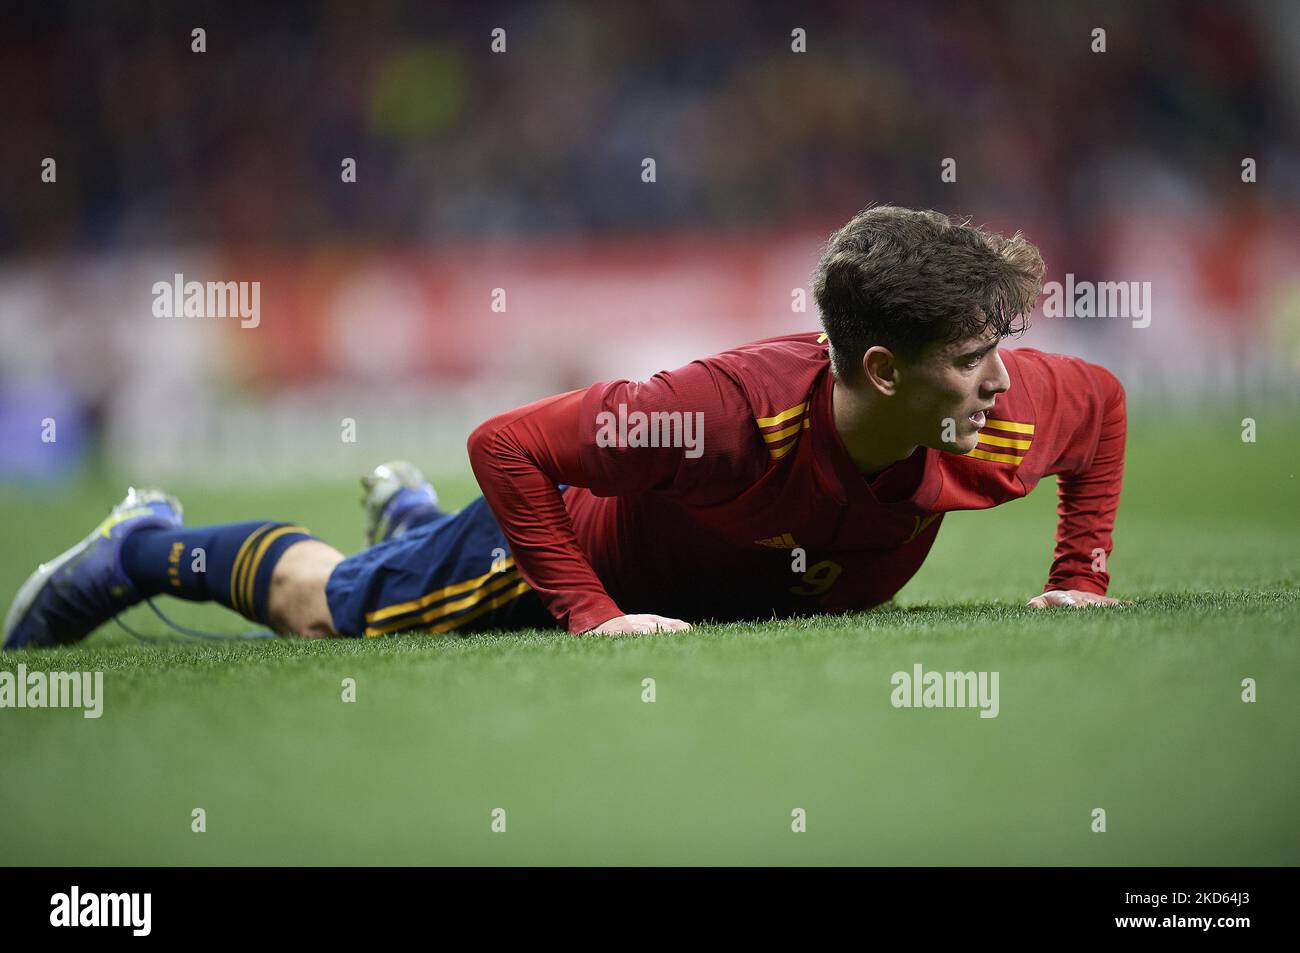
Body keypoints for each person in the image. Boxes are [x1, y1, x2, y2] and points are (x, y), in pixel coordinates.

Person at [3, 206, 1127, 649]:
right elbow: (506, 444)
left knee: (392, 559)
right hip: (565, 552)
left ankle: (408, 520)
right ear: (883, 370)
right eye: (974, 359)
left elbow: (1107, 407)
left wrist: (1079, 571)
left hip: (685, 577)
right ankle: (141, 546)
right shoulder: (717, 421)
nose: (1001, 381)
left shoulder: (1003, 410)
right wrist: (591, 615)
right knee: (329, 611)